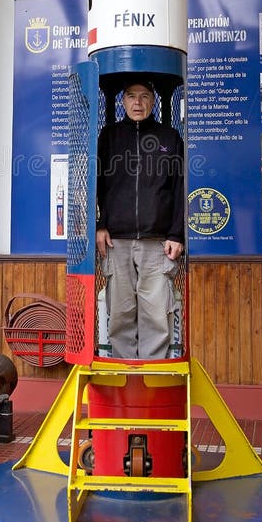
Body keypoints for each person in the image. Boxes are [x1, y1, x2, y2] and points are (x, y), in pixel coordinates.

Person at [96, 79, 184, 360]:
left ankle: (151, 378)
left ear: (153, 101)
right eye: (131, 96)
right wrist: (99, 225)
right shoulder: (108, 137)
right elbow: (94, 184)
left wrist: (177, 234)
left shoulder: (169, 138)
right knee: (120, 312)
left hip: (158, 243)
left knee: (157, 315)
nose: (137, 102)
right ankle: (124, 377)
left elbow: (180, 188)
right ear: (122, 101)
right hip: (115, 241)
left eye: (144, 96)